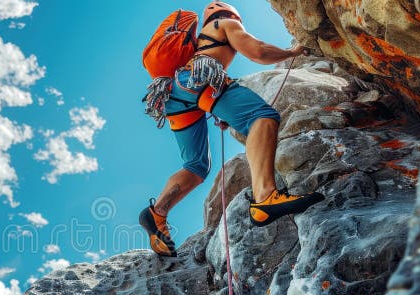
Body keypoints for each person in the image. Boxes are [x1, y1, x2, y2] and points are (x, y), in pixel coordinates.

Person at [139, 2, 324, 257]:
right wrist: (291, 52)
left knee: (195, 166)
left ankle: (156, 214)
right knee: (262, 116)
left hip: (175, 94)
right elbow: (257, 51)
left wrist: (220, 109)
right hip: (200, 79)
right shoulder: (224, 23)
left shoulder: (203, 41)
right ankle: (265, 198)